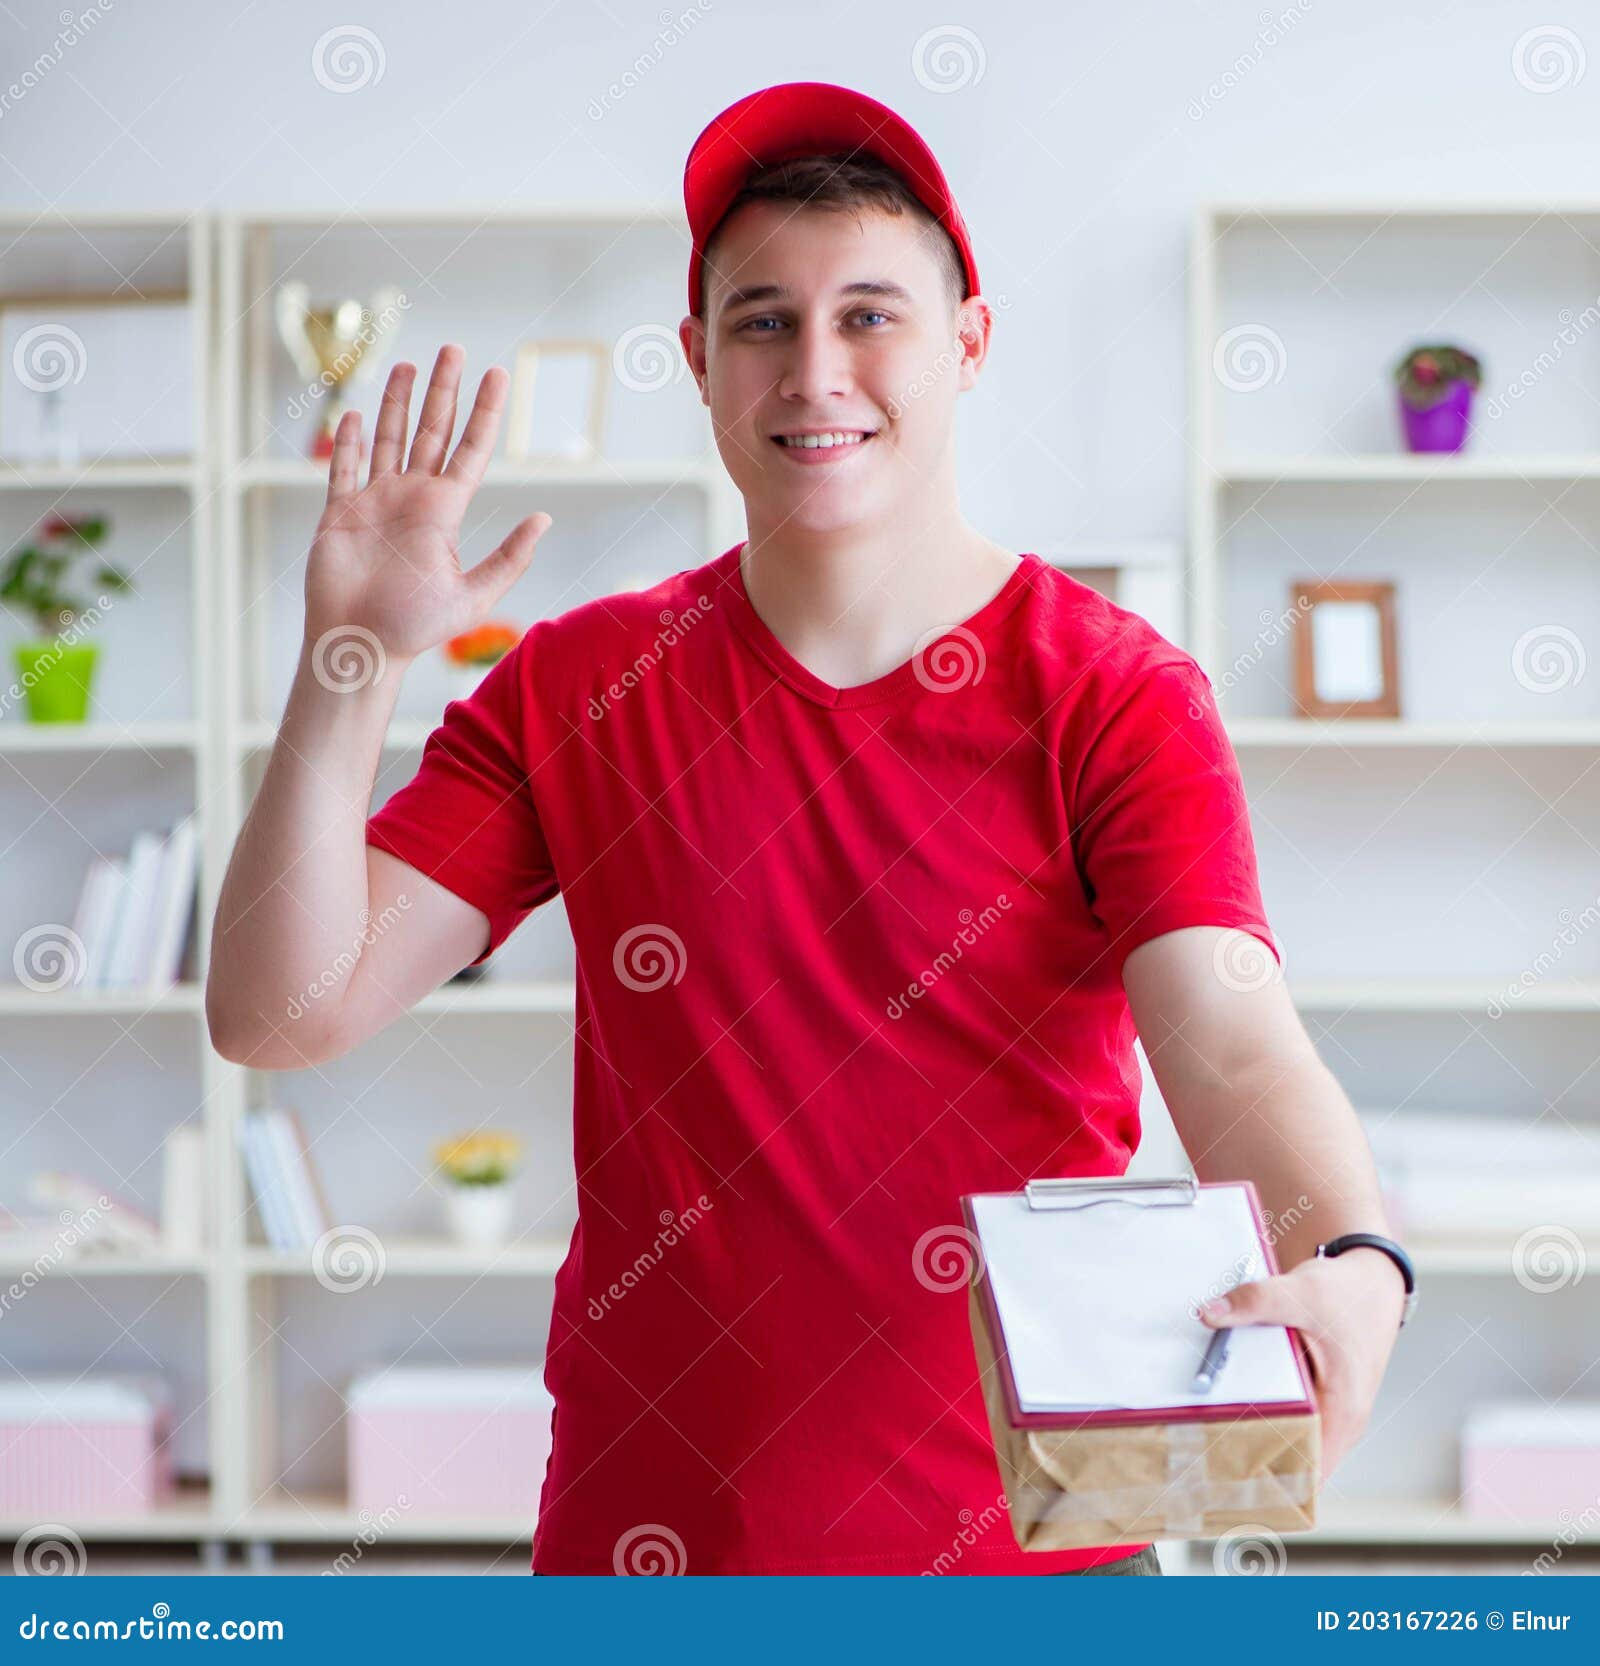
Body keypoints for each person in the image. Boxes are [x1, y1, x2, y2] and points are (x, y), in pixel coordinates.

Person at [206, 81, 1409, 1576]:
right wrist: (351, 664)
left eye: (871, 315)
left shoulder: (1114, 695)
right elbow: (281, 1009)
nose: (814, 369)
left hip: (1029, 1562)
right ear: (700, 362)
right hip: (650, 1549)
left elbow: (1232, 1046)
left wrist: (1354, 1251)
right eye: (762, 320)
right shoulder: (581, 684)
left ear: (969, 342)